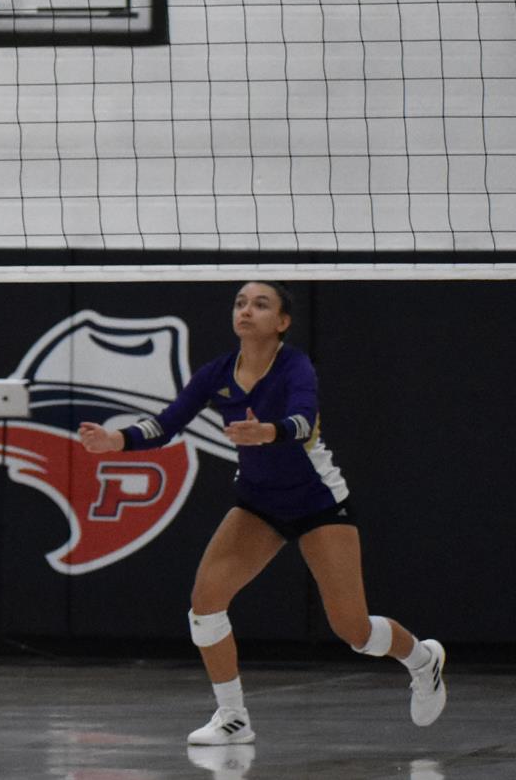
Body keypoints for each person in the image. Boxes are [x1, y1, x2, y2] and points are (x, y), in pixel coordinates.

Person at [78, 281, 447, 745]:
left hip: (319, 504)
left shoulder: (295, 365)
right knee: (205, 604)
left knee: (353, 630)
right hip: (258, 504)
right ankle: (233, 717)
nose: (246, 311)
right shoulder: (217, 372)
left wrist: (266, 432)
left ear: (283, 322)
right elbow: (167, 422)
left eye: (260, 304)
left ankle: (422, 660)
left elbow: (302, 419)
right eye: (240, 303)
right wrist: (118, 440)